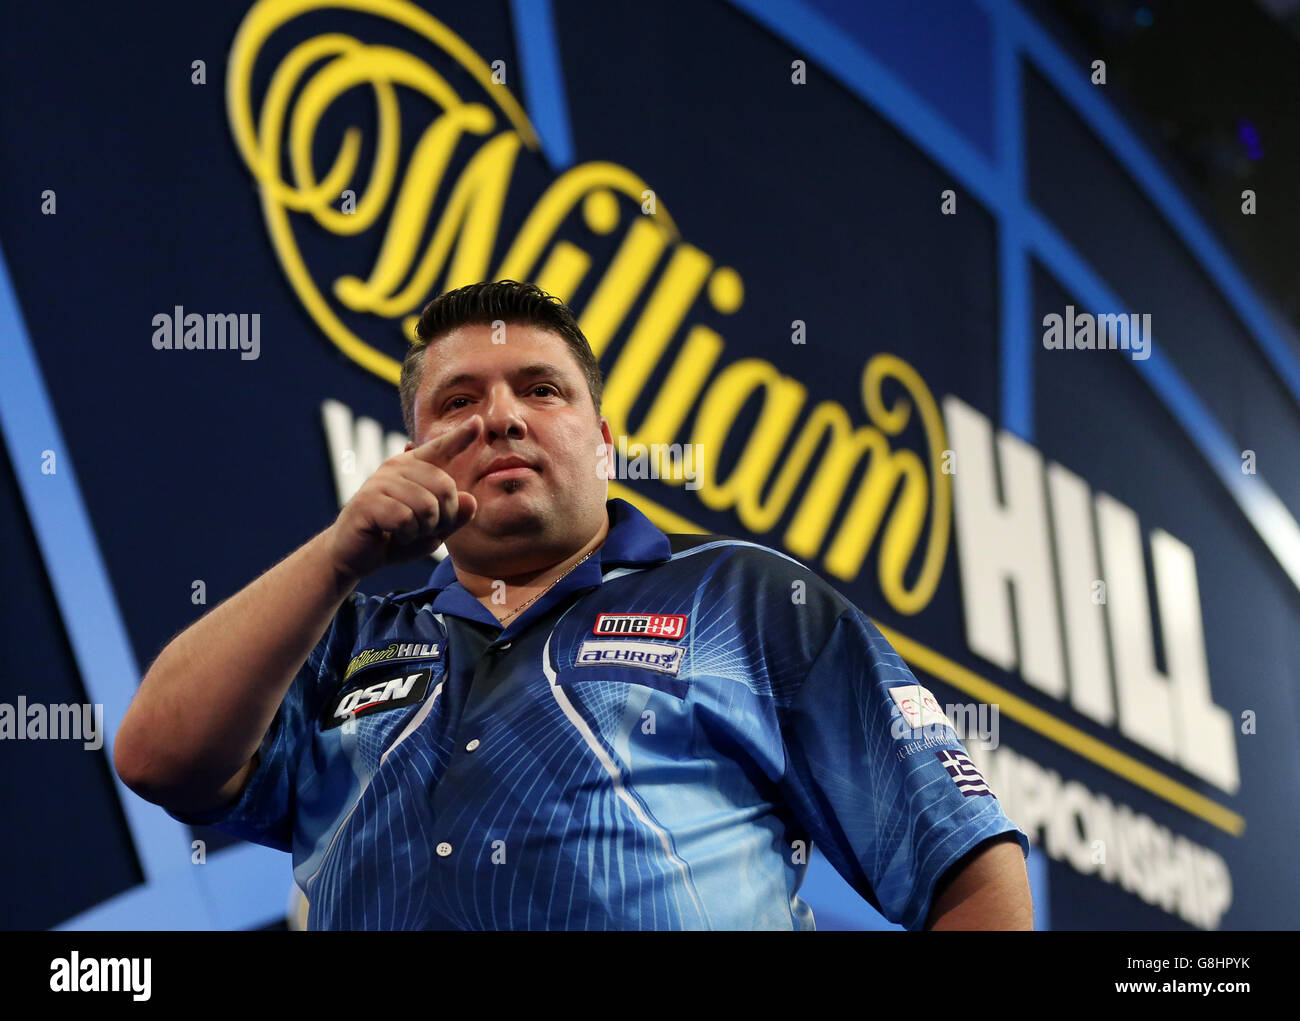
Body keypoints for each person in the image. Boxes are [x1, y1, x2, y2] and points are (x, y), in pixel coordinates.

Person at [115, 279, 1033, 931]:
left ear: (601, 441)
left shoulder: (746, 599)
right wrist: (337, 555)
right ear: (412, 451)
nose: (502, 418)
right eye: (458, 401)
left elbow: (966, 865)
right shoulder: (346, 635)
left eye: (540, 390)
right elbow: (158, 755)